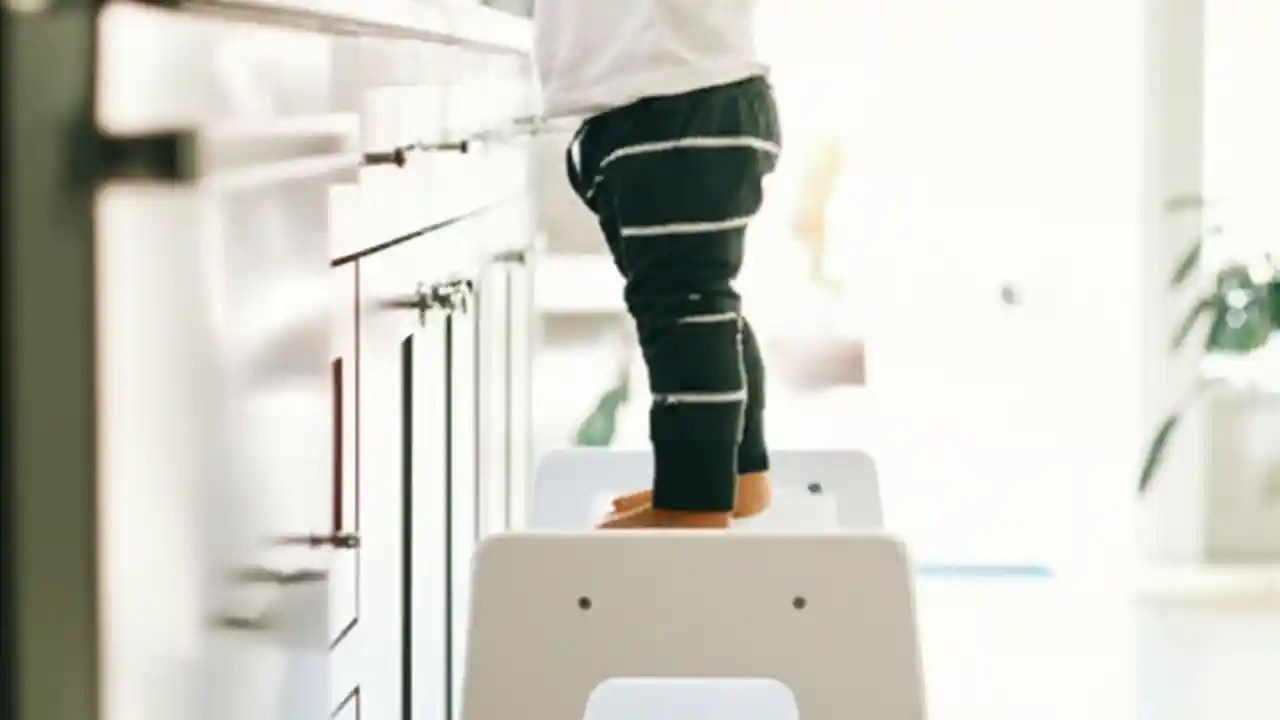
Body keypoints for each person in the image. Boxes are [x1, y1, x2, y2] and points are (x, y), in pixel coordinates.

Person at [536, 0, 781, 529]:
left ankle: (693, 500)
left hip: (672, 97)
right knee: (698, 303)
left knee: (686, 306)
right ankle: (735, 475)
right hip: (676, 93)